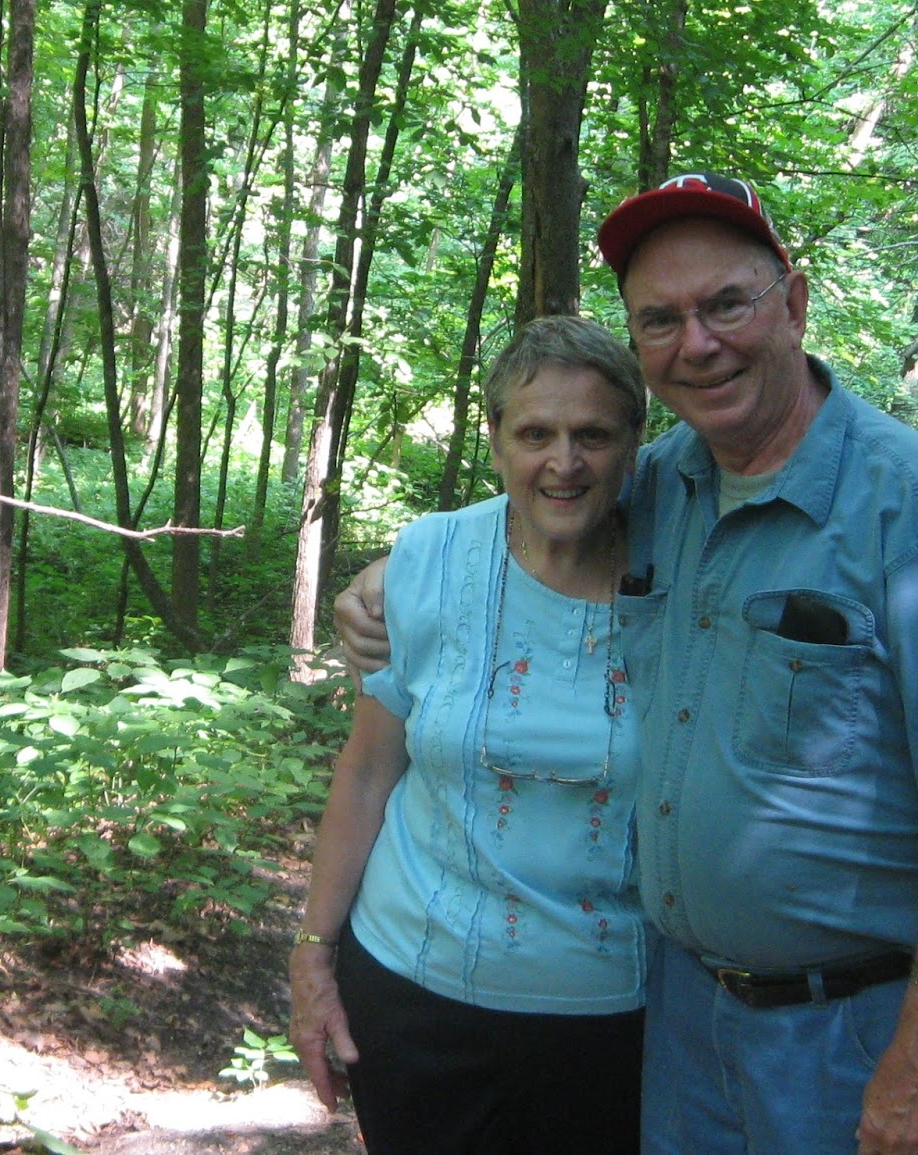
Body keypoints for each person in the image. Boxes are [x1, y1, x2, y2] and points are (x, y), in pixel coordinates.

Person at [335, 172, 918, 1155]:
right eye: (660, 320)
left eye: (725, 305)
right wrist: (383, 577)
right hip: (682, 1022)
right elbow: (528, 505)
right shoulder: (666, 482)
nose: (696, 343)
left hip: (855, 1026)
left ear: (791, 302)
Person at [288, 315, 651, 1155]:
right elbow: (370, 770)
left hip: (606, 1019)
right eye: (535, 433)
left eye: (593, 434)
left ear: (635, 444)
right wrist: (313, 955)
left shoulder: (682, 569)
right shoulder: (431, 557)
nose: (564, 461)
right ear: (495, 440)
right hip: (411, 997)